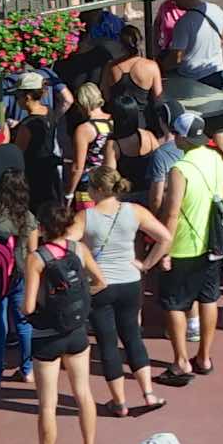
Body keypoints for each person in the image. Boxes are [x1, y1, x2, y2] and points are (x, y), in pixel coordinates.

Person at [77, 169, 167, 414]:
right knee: (132, 337)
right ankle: (148, 393)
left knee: (107, 342)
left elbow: (68, 244)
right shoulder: (134, 211)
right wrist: (146, 264)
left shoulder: (85, 217)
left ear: (95, 190)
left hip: (100, 285)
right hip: (130, 281)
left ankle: (119, 402)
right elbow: (165, 237)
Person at [20, 199, 100, 444]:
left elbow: (28, 305)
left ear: (42, 228)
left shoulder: (37, 258)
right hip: (77, 330)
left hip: (47, 336)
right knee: (83, 393)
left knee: (47, 404)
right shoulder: (79, 249)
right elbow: (101, 282)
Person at [156, 113, 223, 381]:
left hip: (184, 244)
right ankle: (204, 357)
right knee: (208, 298)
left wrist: (164, 249)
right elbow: (221, 195)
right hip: (212, 241)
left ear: (182, 137)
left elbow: (172, 214)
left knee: (174, 303)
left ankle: (181, 361)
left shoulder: (180, 169)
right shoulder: (215, 158)